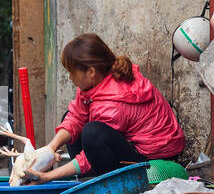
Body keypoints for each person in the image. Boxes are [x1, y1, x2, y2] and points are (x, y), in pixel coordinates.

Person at [27, 33, 185, 181]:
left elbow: (89, 155)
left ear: (90, 71)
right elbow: (75, 116)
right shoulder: (98, 80)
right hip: (132, 145)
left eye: (72, 72)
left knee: (92, 133)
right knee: (71, 119)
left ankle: (102, 184)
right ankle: (89, 180)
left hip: (154, 159)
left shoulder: (113, 105)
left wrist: (47, 177)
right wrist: (50, 148)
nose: (70, 77)